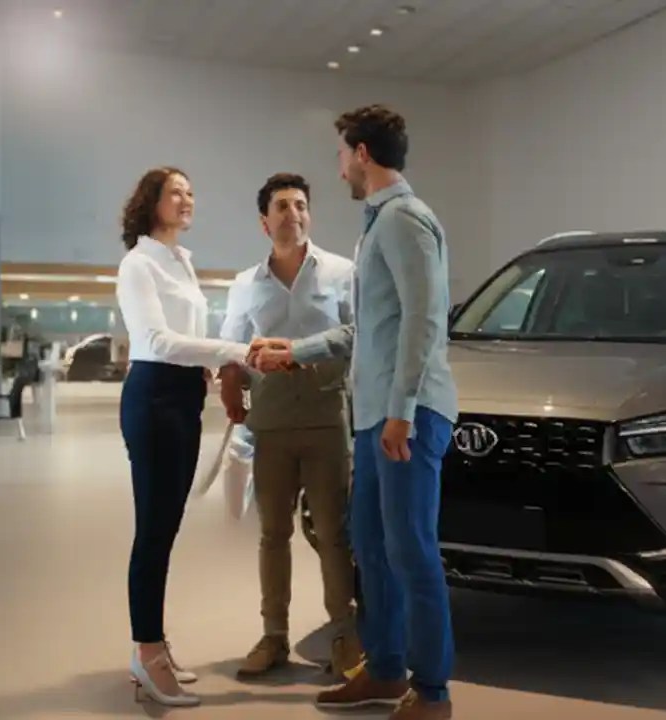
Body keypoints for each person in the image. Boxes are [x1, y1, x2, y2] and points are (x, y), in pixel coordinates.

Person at [251, 104, 458, 720]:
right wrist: (295, 351)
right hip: (372, 418)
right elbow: (365, 333)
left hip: (406, 416)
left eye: (342, 153)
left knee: (412, 549)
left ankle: (434, 691)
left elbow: (425, 320)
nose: (338, 166)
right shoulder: (378, 226)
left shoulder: (404, 221)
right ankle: (387, 670)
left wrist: (402, 411)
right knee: (369, 542)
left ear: (362, 154)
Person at [115, 166, 255, 707]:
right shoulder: (139, 263)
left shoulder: (179, 262)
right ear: (151, 201)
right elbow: (153, 338)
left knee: (165, 528)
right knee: (152, 530)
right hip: (153, 398)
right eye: (175, 192)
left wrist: (209, 365)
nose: (186, 199)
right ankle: (147, 651)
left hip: (181, 396)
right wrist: (231, 352)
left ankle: (154, 642)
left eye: (191, 192)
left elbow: (184, 338)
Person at [217, 172, 363, 679]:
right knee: (273, 534)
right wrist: (230, 380)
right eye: (281, 206)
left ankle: (344, 635)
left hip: (326, 418)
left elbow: (356, 332)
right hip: (272, 422)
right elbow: (233, 345)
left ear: (309, 214)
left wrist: (300, 355)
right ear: (265, 222)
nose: (293, 213)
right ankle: (273, 636)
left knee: (334, 533)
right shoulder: (244, 285)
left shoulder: (343, 272)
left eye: (300, 204)